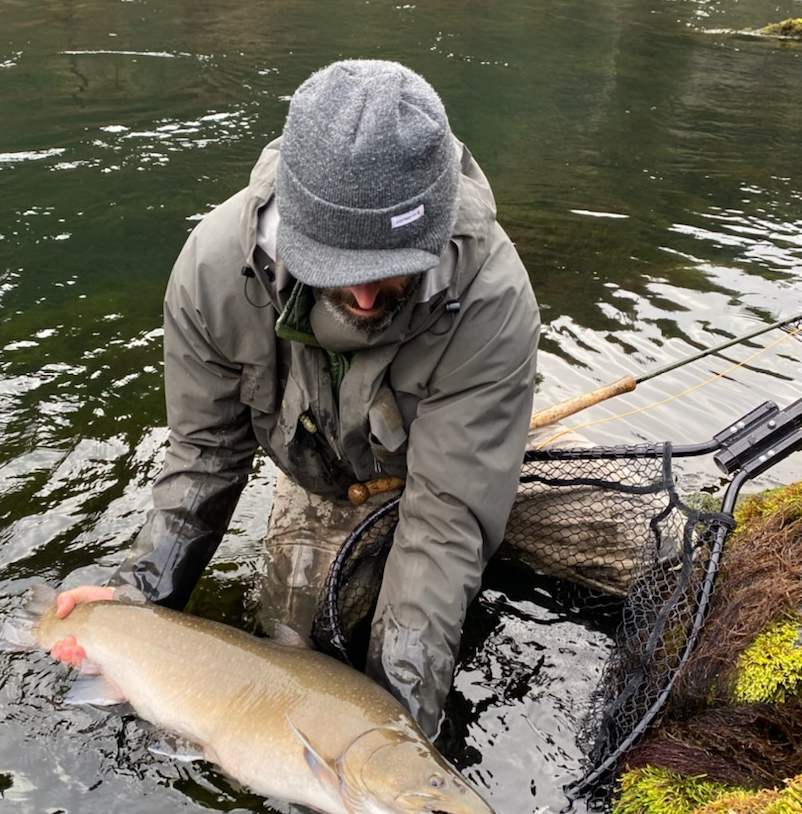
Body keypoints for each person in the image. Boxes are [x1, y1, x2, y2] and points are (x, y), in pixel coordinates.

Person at [52, 59, 540, 740]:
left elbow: (445, 524)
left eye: (390, 268)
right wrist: (135, 607)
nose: (366, 296)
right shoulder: (215, 273)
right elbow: (205, 459)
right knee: (295, 657)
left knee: (407, 662)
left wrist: (392, 734)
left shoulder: (493, 302)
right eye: (341, 267)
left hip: (439, 477)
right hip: (323, 478)